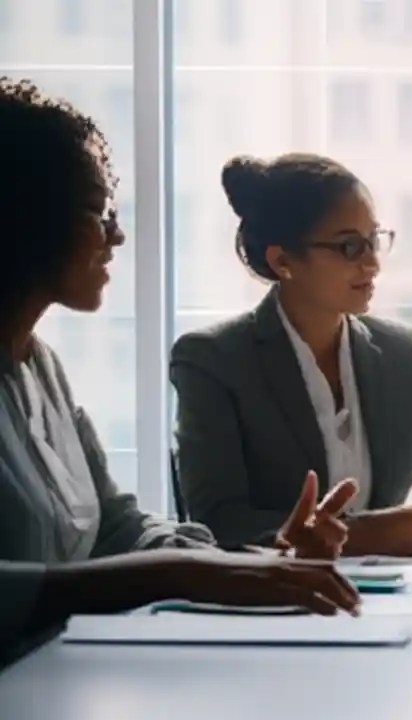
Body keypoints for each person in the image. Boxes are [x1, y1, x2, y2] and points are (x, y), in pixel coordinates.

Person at [0, 77, 359, 652]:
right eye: (100, 212)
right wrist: (184, 573)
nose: (116, 235)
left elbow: (118, 526)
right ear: (23, 213)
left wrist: (253, 562)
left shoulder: (40, 368)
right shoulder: (212, 356)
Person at [170, 152, 412, 557]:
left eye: (374, 240)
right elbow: (218, 521)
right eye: (349, 247)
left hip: (391, 599)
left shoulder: (403, 353)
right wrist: (363, 535)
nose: (373, 263)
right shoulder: (213, 359)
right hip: (271, 604)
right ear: (282, 260)